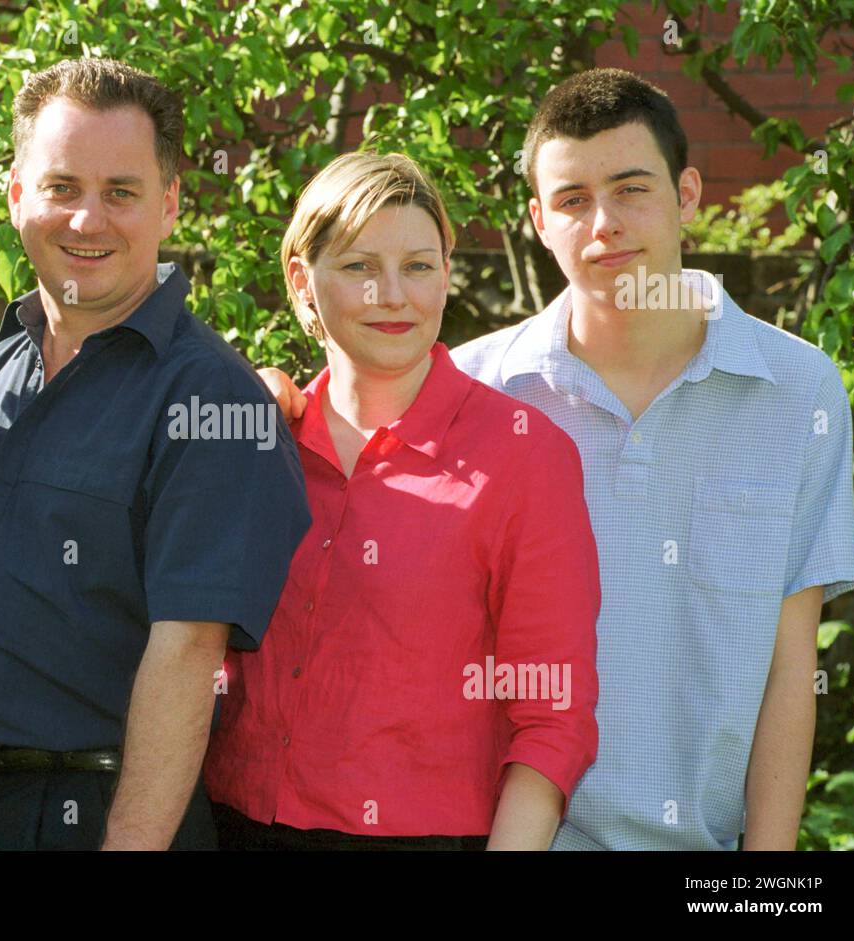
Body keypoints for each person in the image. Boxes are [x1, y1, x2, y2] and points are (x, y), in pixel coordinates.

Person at [261, 69, 854, 850]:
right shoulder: (472, 387)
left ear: (688, 194)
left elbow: (791, 668)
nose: (604, 224)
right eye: (573, 200)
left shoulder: (797, 391)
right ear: (538, 220)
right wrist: (262, 393)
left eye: (631, 188)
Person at [0, 58, 311, 851]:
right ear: (16, 195)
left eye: (121, 193)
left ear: (167, 206)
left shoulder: (214, 401)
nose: (88, 220)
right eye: (62, 186)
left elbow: (188, 654)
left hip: (94, 814)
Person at [204, 152, 601, 851]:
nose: (393, 294)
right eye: (359, 267)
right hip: (225, 825)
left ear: (447, 273)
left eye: (418, 265)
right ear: (302, 282)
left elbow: (553, 718)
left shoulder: (524, 455)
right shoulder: (263, 441)